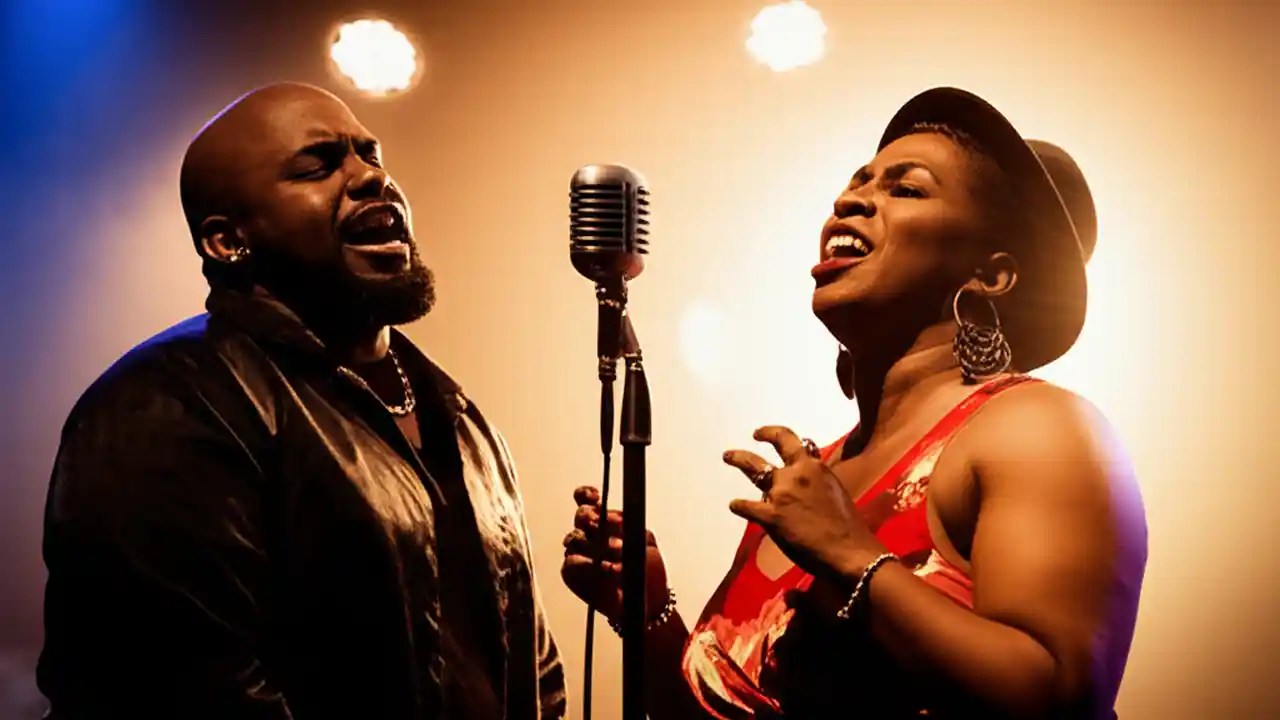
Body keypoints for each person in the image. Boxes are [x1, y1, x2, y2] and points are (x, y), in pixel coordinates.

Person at [562, 87, 1147, 718]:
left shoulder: (1035, 428)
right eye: (858, 181)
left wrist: (851, 556)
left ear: (992, 274)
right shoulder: (816, 486)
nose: (850, 200)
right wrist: (647, 611)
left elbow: (1062, 695)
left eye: (907, 189)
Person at [38, 82, 566, 719]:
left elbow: (531, 675)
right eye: (320, 166)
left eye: (371, 155)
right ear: (227, 242)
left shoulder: (459, 417)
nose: (371, 178)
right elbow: (189, 690)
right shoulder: (165, 405)